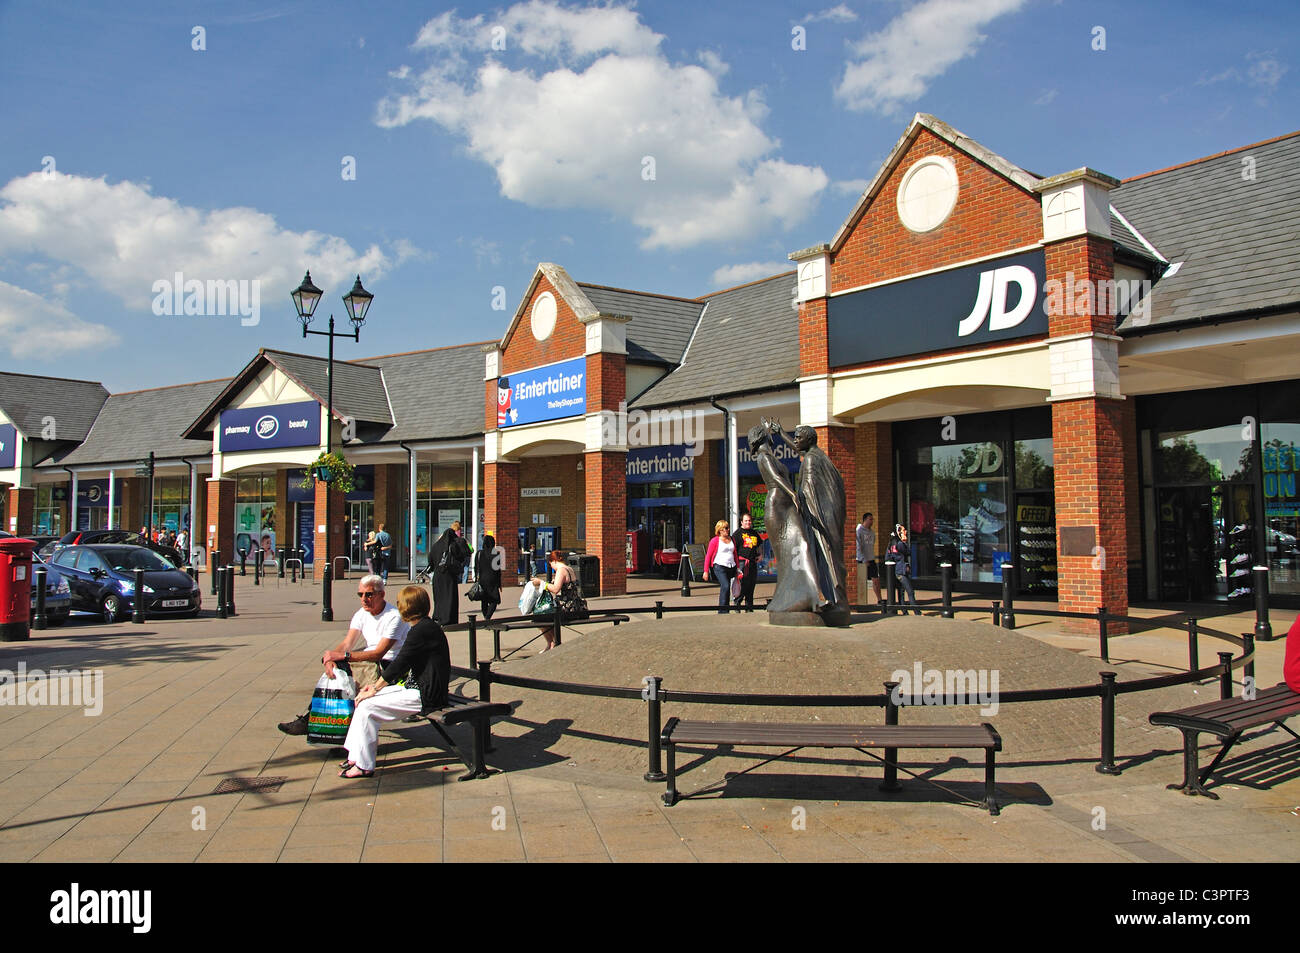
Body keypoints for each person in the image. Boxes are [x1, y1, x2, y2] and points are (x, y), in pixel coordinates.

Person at [277, 574, 411, 736]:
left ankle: (315, 722)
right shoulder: (362, 614)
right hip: (370, 665)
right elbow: (347, 643)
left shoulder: (394, 617)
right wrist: (330, 659)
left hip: (391, 668)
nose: (364, 599)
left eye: (369, 594)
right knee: (336, 673)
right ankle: (323, 724)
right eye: (360, 595)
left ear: (381, 594)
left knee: (344, 675)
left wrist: (342, 657)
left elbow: (378, 653)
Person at [339, 586, 450, 778]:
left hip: (426, 694)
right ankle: (355, 756)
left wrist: (374, 688)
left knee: (367, 708)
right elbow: (403, 664)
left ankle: (364, 766)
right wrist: (371, 690)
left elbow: (400, 664)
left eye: (400, 603)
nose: (398, 607)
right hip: (418, 687)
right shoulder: (424, 626)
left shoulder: (421, 631)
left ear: (407, 606)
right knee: (363, 700)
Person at [529, 549, 584, 652]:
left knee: (540, 617)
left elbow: (555, 589)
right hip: (574, 605)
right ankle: (553, 643)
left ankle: (552, 643)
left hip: (567, 607)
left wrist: (541, 583)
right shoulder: (569, 568)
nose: (552, 568)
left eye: (551, 565)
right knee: (546, 617)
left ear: (553, 561)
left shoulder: (561, 570)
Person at [429, 521, 471, 625]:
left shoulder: (435, 546)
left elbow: (430, 560)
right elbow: (463, 556)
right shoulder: (453, 545)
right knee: (450, 598)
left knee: (439, 598)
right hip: (449, 576)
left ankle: (438, 616)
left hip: (438, 576)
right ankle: (449, 619)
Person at [886, 524, 922, 616]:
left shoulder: (891, 544)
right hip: (902, 571)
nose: (905, 532)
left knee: (901, 592)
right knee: (910, 591)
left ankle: (904, 612)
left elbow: (888, 557)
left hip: (897, 571)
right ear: (898, 533)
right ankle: (917, 612)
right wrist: (905, 541)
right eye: (903, 531)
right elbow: (908, 552)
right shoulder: (900, 544)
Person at [703, 520, 737, 614]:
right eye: (725, 528)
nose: (727, 530)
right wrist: (706, 571)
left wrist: (737, 568)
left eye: (728, 527)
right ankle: (722, 610)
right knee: (725, 585)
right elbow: (708, 556)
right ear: (720, 530)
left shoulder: (732, 539)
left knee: (728, 587)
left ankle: (726, 608)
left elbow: (734, 554)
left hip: (731, 566)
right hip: (719, 566)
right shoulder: (715, 541)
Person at [732, 513, 763, 612]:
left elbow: (759, 545)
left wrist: (761, 554)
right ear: (741, 522)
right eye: (746, 521)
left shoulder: (754, 533)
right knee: (742, 585)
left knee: (751, 584)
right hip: (742, 562)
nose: (748, 522)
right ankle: (737, 603)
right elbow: (733, 549)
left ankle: (749, 607)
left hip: (753, 562)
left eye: (749, 520)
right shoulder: (737, 534)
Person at [474, 533, 503, 621]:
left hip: (482, 579)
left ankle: (486, 618)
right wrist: (499, 583)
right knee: (495, 600)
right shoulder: (496, 554)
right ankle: (487, 618)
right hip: (492, 580)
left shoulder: (479, 553)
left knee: (484, 600)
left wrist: (476, 578)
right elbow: (498, 570)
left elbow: (476, 567)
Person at [856, 512, 882, 607]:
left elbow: (872, 544)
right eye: (870, 519)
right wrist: (863, 559)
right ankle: (860, 601)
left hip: (871, 559)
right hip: (861, 560)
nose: (872, 521)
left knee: (876, 580)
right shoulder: (859, 530)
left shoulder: (872, 532)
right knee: (861, 581)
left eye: (872, 519)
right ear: (865, 520)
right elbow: (858, 546)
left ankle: (880, 600)